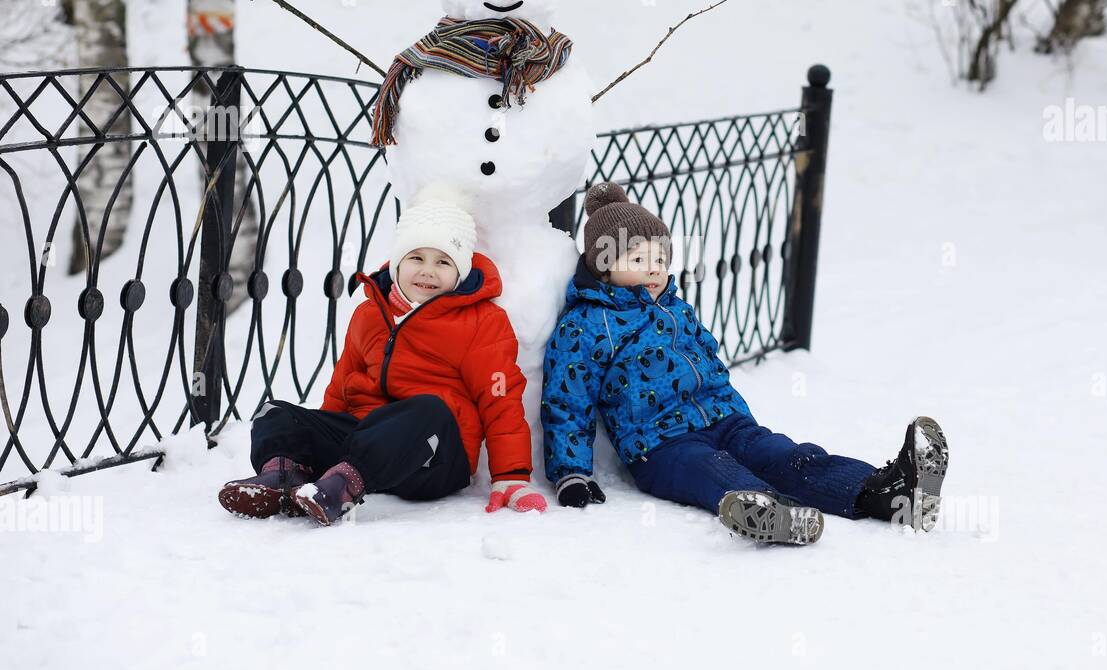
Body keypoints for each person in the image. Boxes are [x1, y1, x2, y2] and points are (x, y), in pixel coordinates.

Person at [540, 182, 948, 545]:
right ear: (604, 267)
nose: (654, 268)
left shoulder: (676, 309)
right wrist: (571, 472)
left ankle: (891, 492)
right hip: (660, 444)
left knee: (784, 455)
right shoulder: (588, 324)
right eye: (637, 258)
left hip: (725, 421)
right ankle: (770, 512)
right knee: (708, 469)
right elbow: (567, 400)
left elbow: (712, 367)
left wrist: (740, 421)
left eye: (661, 259)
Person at [218, 198, 545, 524]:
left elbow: (500, 400)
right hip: (366, 438)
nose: (428, 270)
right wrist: (318, 436)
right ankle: (283, 479)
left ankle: (341, 488)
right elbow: (342, 385)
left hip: (435, 455)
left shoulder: (481, 321)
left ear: (459, 273)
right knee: (276, 413)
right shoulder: (370, 314)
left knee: (427, 409)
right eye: (416, 257)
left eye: (443, 262)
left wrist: (511, 476)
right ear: (397, 263)